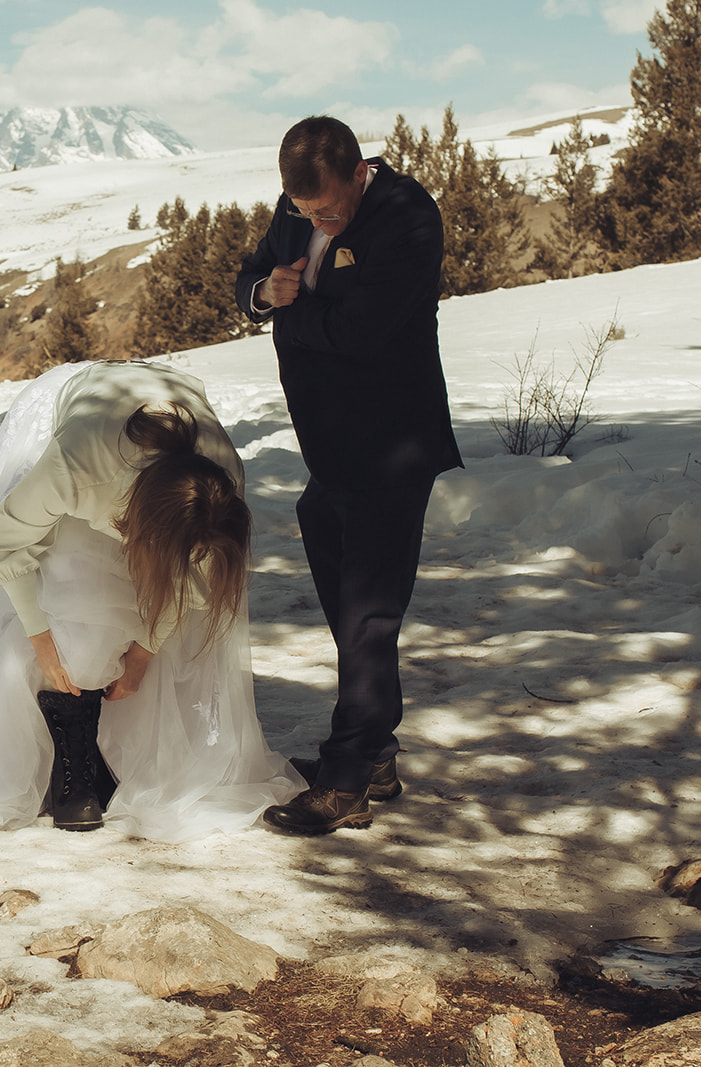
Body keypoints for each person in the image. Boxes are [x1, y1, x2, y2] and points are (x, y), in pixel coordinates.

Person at [0, 359, 301, 842]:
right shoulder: (75, 469)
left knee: (144, 617)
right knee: (79, 597)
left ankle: (107, 749)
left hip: (140, 461)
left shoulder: (218, 487)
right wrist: (42, 640)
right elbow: (9, 542)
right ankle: (72, 758)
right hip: (79, 424)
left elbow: (194, 583)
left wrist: (143, 653)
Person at [236, 115, 462, 834]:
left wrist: (291, 314)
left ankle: (346, 781)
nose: (317, 222)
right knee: (352, 605)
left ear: (360, 172)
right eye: (304, 211)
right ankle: (376, 754)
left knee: (368, 613)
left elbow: (364, 331)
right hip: (329, 447)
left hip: (391, 442)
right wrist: (266, 293)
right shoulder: (296, 206)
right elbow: (253, 274)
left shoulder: (407, 215)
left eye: (329, 211)